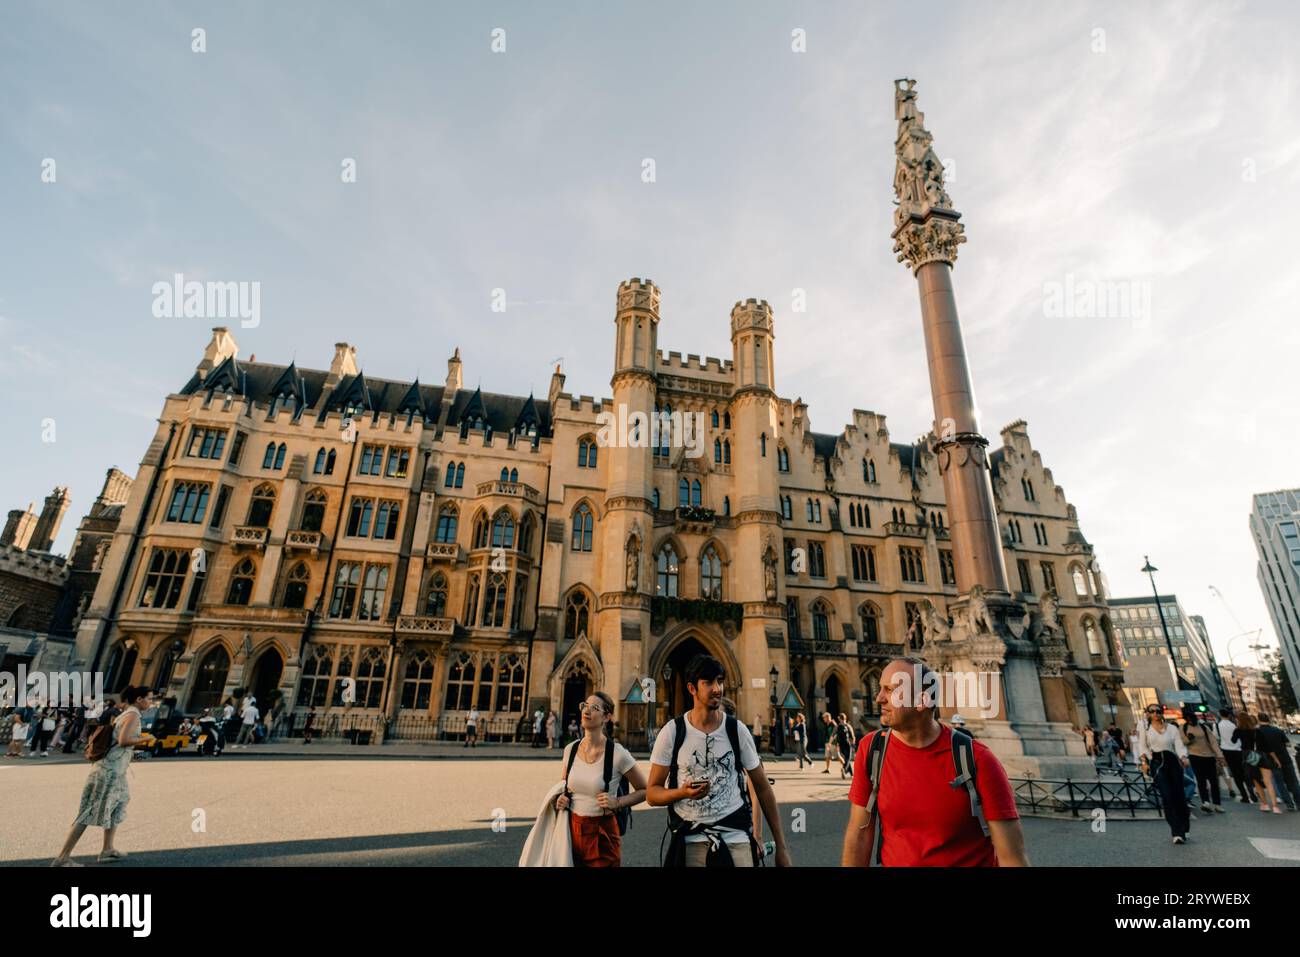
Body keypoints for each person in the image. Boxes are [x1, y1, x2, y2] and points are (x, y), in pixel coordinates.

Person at [841, 657, 1027, 866]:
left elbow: (1012, 857)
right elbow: (859, 835)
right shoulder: (872, 750)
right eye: (880, 689)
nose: (879, 698)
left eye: (890, 690)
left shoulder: (977, 759)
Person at [647, 654, 791, 867]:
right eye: (708, 682)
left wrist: (781, 848)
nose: (717, 689)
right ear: (692, 688)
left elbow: (762, 789)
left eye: (720, 681)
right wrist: (682, 793)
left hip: (736, 838)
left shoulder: (737, 730)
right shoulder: (672, 732)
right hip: (690, 840)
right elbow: (652, 793)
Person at [51, 685, 152, 866]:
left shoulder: (126, 713)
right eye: (149, 698)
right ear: (139, 699)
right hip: (109, 771)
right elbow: (123, 740)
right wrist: (146, 738)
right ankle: (63, 857)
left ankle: (107, 849)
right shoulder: (133, 715)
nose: (151, 702)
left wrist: (132, 753)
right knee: (89, 810)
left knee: (117, 804)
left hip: (114, 769)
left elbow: (119, 740)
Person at [553, 692, 648, 866]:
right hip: (571, 832)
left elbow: (645, 790)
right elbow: (564, 787)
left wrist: (618, 802)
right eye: (585, 705)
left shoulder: (618, 753)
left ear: (607, 717)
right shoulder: (570, 750)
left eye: (594, 708)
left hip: (602, 836)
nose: (587, 711)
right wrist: (561, 799)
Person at [1138, 705, 1191, 843]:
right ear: (1148, 714)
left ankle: (1184, 825)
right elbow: (1142, 745)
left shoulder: (1172, 728)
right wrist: (1144, 761)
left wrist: (1183, 757)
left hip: (1172, 761)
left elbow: (1178, 744)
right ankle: (1177, 832)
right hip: (1157, 762)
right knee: (1167, 796)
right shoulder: (1145, 728)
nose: (1156, 713)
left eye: (1158, 711)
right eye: (1152, 711)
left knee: (1179, 795)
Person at [1233, 713, 1281, 813]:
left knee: (1257, 782)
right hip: (1261, 757)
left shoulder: (1238, 730)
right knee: (1268, 782)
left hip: (1249, 758)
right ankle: (1275, 807)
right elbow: (1267, 747)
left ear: (1239, 720)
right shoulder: (1257, 731)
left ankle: (1265, 804)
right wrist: (1276, 759)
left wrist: (1237, 729)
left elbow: (1233, 741)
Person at [1181, 712, 1226, 813]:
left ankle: (1217, 804)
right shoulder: (1183, 728)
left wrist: (1220, 755)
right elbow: (1182, 742)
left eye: (1192, 719)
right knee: (1201, 781)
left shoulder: (1204, 727)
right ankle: (1205, 802)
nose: (1190, 721)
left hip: (1209, 756)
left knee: (1213, 781)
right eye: (1188, 719)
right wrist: (1189, 739)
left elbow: (1213, 742)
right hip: (1194, 756)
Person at [1256, 714, 1299, 811]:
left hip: (1271, 761)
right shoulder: (1277, 730)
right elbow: (1287, 743)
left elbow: (1259, 748)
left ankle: (1289, 804)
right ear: (1269, 720)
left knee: (1280, 783)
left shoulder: (1258, 732)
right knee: (1293, 782)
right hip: (1285, 758)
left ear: (1259, 720)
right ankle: (1299, 803)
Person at [835, 712, 856, 779]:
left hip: (841, 744)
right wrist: (853, 744)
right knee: (848, 758)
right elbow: (852, 736)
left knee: (846, 758)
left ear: (840, 719)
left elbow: (836, 736)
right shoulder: (847, 726)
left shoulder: (838, 726)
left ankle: (851, 774)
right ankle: (844, 769)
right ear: (845, 718)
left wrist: (837, 744)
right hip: (847, 743)